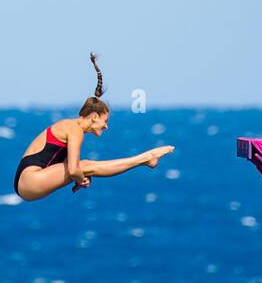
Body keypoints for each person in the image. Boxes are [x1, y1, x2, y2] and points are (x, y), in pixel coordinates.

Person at [13, 54, 174, 202]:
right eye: (105, 120)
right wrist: (80, 176)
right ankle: (145, 158)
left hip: (28, 182)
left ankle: (144, 160)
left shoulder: (70, 127)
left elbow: (68, 167)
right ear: (94, 117)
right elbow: (74, 169)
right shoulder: (74, 129)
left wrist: (80, 177)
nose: (106, 126)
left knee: (85, 167)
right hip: (29, 181)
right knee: (86, 165)